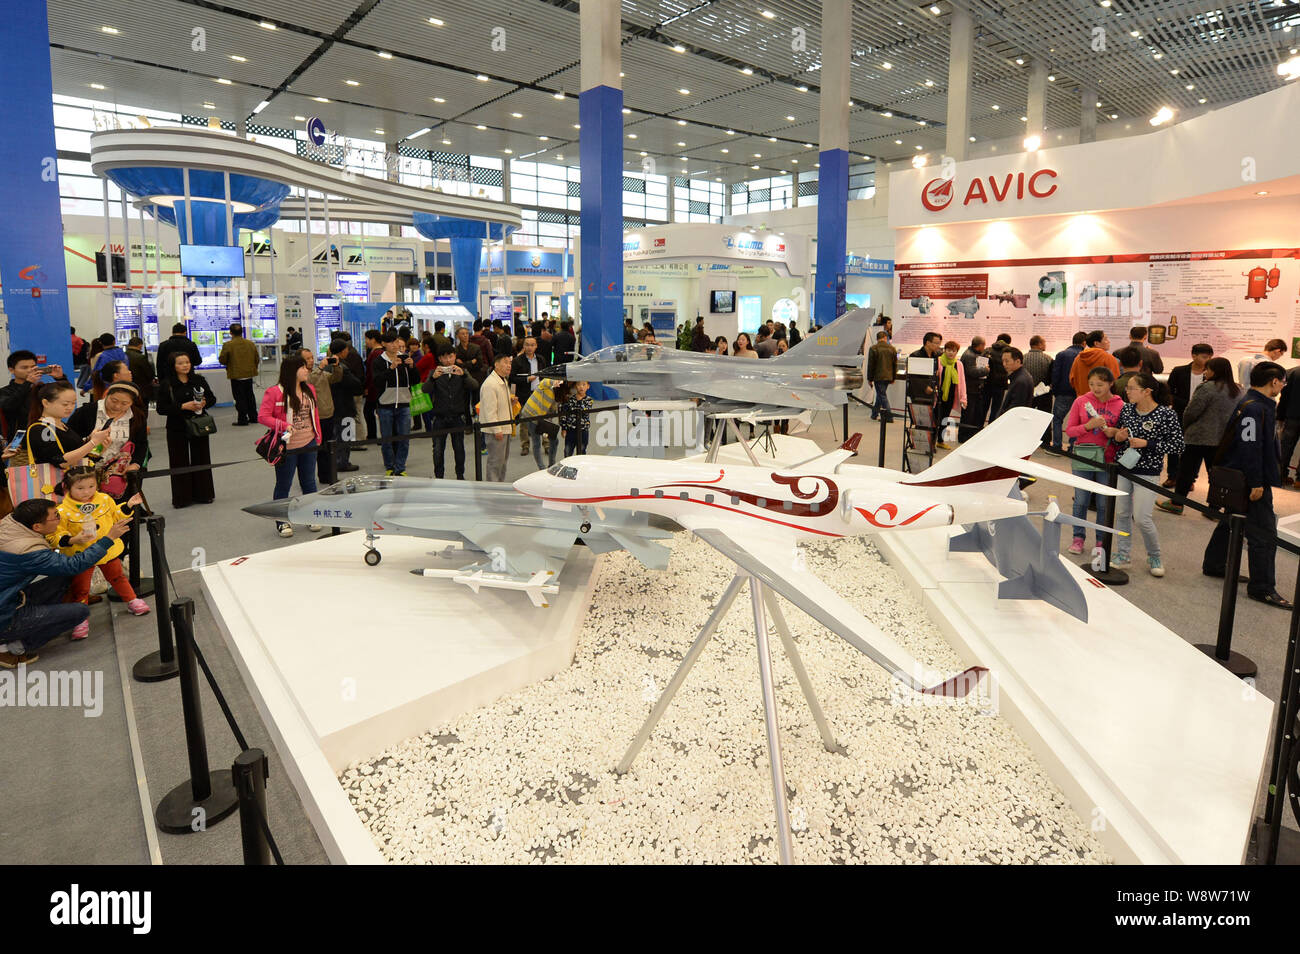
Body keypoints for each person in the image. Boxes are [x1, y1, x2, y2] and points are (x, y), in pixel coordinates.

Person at [1202, 362, 1290, 609]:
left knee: (1232, 518)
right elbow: (1250, 448)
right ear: (1274, 381)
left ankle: (1215, 564)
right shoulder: (1255, 408)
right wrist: (1256, 482)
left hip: (1242, 477)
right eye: (1282, 381)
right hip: (1251, 479)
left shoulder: (1255, 404)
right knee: (1263, 533)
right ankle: (1262, 587)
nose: (1283, 385)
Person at [0, 498, 128, 668]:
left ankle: (50, 615)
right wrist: (108, 538)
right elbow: (73, 565)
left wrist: (70, 539)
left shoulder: (9, 523)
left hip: (10, 597)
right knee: (80, 612)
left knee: (65, 578)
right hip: (5, 614)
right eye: (56, 516)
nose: (60, 519)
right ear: (37, 527)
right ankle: (10, 648)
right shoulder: (29, 552)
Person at [50, 468, 150, 635]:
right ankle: (80, 619)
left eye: (91, 486)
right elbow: (55, 535)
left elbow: (116, 514)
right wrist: (73, 539)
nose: (86, 492)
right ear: (67, 488)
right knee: (81, 588)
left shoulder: (104, 499)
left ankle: (132, 600)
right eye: (80, 488)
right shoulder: (62, 511)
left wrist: (128, 505)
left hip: (107, 550)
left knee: (117, 576)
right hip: (81, 555)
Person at [1110, 372, 1184, 578]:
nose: (1127, 391)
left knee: (1142, 518)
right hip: (1124, 467)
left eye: (1131, 388)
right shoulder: (1127, 410)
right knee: (1122, 514)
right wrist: (1118, 436)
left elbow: (1178, 445)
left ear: (1147, 391)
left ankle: (1154, 556)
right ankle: (1123, 555)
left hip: (1148, 472)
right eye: (1127, 388)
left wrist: (1148, 444)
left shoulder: (1167, 414)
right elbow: (1118, 439)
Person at [1156, 358, 1240, 515]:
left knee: (1186, 471)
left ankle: (1177, 503)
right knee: (1215, 475)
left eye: (1208, 369)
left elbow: (1191, 412)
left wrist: (1185, 426)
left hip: (1198, 437)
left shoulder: (1207, 388)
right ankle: (1214, 509)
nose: (1205, 372)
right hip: (1221, 439)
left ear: (1215, 371)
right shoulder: (1237, 390)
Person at [258, 353, 323, 537]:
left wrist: (318, 437)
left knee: (309, 482)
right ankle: (282, 521)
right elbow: (263, 416)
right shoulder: (275, 392)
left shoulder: (309, 388)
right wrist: (283, 425)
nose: (307, 369)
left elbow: (315, 415)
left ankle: (311, 515)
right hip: (287, 447)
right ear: (292, 371)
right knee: (284, 484)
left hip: (308, 443)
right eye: (303, 367)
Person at [1063, 367, 1124, 556]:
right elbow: (1070, 431)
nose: (1095, 388)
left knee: (1104, 504)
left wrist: (1114, 433)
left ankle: (1101, 541)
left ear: (1110, 383)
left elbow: (1125, 434)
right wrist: (1088, 426)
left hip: (1107, 459)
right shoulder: (1081, 401)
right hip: (1083, 456)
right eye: (1092, 384)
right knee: (1080, 500)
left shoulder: (1120, 405)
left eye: (1100, 384)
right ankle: (1078, 538)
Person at [154, 352, 216, 509]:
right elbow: (161, 408)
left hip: (198, 423)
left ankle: (204, 494)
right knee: (178, 460)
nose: (185, 365)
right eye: (180, 363)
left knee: (201, 457)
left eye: (187, 362)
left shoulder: (198, 380)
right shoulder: (166, 384)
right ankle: (182, 498)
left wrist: (204, 403)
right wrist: (182, 406)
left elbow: (212, 398)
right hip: (177, 426)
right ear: (173, 366)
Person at [67, 382, 149, 500]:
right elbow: (70, 440)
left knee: (119, 510)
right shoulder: (86, 412)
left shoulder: (137, 416)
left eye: (124, 403)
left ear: (132, 403)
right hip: (87, 473)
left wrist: (135, 464)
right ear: (107, 394)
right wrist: (90, 441)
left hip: (118, 474)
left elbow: (141, 443)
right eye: (114, 400)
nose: (117, 406)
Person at [17, 381, 111, 473]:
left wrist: (99, 448)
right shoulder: (42, 429)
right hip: (53, 485)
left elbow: (80, 459)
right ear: (46, 403)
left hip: (75, 483)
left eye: (73, 403)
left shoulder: (62, 425)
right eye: (65, 404)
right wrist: (93, 442)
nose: (70, 407)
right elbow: (61, 462)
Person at [1165, 343, 1214, 488]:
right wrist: (1186, 403)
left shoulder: (1211, 374)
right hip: (1179, 413)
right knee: (1174, 446)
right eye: (1205, 357)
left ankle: (1190, 479)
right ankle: (1172, 476)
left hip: (1201, 417)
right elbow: (1169, 392)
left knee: (1195, 448)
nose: (1208, 359)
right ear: (1194, 356)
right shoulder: (1180, 371)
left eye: (1210, 357)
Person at [427, 344, 479, 480]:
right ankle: (439, 477)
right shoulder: (434, 373)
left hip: (457, 417)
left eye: (451, 356)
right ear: (440, 359)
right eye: (445, 358)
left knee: (459, 449)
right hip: (439, 417)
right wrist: (433, 378)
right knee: (438, 450)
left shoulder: (462, 371)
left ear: (455, 356)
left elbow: (474, 386)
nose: (448, 360)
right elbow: (425, 390)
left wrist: (463, 376)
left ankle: (460, 475)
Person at [373, 330, 416, 477]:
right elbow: (377, 382)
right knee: (387, 439)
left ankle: (400, 467)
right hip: (385, 405)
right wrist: (391, 369)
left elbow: (415, 380)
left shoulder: (404, 359)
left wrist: (412, 367)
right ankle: (390, 466)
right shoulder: (379, 361)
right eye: (391, 342)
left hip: (404, 404)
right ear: (384, 344)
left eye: (397, 342)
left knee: (404, 438)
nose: (395, 345)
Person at [1, 351, 67, 442]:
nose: (29, 370)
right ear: (11, 370)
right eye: (24, 367)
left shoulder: (41, 389)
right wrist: (28, 383)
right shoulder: (5, 391)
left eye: (33, 367)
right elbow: (9, 406)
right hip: (19, 443)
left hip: (46, 438)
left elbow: (66, 397)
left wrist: (60, 378)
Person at [302, 348, 343, 486]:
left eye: (312, 357)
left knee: (329, 446)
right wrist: (320, 367)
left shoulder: (320, 373)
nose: (311, 360)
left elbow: (335, 378)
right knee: (318, 448)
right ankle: (321, 475)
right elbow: (310, 380)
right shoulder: (304, 375)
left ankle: (329, 474)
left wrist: (336, 367)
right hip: (314, 417)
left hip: (328, 413)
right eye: (307, 358)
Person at [513, 336, 554, 467]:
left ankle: (546, 444)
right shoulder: (517, 361)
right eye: (527, 345)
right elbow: (512, 378)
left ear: (536, 346)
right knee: (525, 422)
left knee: (545, 420)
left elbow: (547, 375)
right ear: (523, 346)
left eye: (532, 345)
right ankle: (525, 445)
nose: (529, 347)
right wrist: (526, 380)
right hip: (526, 394)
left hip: (541, 394)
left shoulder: (541, 359)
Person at [325, 339, 363, 473]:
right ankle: (342, 462)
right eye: (346, 349)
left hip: (331, 406)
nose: (348, 351)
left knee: (335, 436)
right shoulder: (342, 367)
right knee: (345, 436)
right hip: (344, 406)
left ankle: (336, 461)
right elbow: (356, 385)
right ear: (342, 351)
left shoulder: (325, 366)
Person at [1048, 332, 1086, 450]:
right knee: (1077, 421)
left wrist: (1055, 390)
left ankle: (1057, 445)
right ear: (1084, 343)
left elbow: (1056, 374)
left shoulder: (1062, 354)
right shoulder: (1085, 355)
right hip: (1080, 392)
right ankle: (1072, 446)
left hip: (1063, 392)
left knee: (1058, 419)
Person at [218, 323, 260, 426]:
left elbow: (223, 360)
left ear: (230, 333)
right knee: (250, 396)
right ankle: (254, 417)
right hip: (249, 374)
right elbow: (257, 358)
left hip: (236, 375)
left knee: (239, 398)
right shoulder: (250, 343)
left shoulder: (228, 345)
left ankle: (242, 419)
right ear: (242, 332)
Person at [481, 353, 514, 481]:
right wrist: (496, 429)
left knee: (502, 462)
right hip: (497, 430)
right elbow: (490, 411)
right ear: (496, 364)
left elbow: (498, 403)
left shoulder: (502, 380)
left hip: (504, 427)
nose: (509, 366)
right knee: (495, 462)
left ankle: (499, 486)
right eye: (505, 362)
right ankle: (492, 489)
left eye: (510, 363)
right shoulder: (490, 384)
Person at [1069, 330, 1120, 397]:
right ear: (1096, 343)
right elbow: (1115, 381)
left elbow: (1072, 380)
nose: (1108, 341)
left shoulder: (1078, 358)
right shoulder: (1108, 358)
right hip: (1102, 400)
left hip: (1083, 400)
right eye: (1105, 339)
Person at [935, 341, 967, 448]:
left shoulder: (959, 364)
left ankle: (940, 440)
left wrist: (963, 398)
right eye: (948, 350)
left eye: (953, 351)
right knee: (935, 418)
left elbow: (962, 382)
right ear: (944, 350)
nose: (951, 353)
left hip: (950, 397)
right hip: (937, 396)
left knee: (945, 419)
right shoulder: (938, 361)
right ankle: (930, 441)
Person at [959, 337, 990, 438]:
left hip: (973, 388)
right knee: (968, 415)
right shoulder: (970, 356)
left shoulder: (972, 354)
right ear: (980, 345)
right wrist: (986, 370)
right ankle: (964, 436)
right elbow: (972, 372)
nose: (984, 348)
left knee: (972, 414)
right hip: (970, 389)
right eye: (983, 346)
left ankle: (968, 435)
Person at [866, 331, 897, 421]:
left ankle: (889, 417)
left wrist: (869, 378)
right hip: (889, 376)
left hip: (878, 376)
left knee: (882, 395)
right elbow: (895, 364)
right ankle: (874, 414)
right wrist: (894, 377)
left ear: (877, 338)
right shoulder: (892, 348)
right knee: (880, 395)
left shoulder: (873, 348)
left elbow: (871, 365)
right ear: (885, 338)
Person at [558, 380, 592, 456]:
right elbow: (564, 414)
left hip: (583, 430)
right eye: (579, 385)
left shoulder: (589, 400)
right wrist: (563, 428)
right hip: (571, 430)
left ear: (588, 387)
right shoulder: (570, 399)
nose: (581, 387)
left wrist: (575, 406)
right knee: (567, 451)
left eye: (584, 385)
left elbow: (584, 411)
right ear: (575, 386)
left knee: (582, 451)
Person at [906, 332, 942, 405]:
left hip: (932, 392)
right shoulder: (915, 355)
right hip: (918, 393)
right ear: (928, 343)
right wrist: (925, 387)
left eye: (939, 343)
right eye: (936, 343)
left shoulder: (936, 355)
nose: (938, 346)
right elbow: (913, 376)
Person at [1280, 363, 1300, 486]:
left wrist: (1280, 415)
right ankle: (1299, 480)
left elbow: (1284, 397)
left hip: (1292, 416)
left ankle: (1279, 475)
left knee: (1285, 447)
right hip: (1292, 415)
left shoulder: (1292, 372)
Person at [362, 328, 384, 442]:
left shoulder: (375, 353)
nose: (365, 341)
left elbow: (371, 374)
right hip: (378, 388)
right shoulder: (380, 352)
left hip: (374, 388)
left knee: (369, 411)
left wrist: (367, 387)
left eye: (366, 339)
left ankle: (372, 435)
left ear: (373, 339)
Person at [998, 347, 1034, 418]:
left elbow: (1016, 407)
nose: (1004, 364)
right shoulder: (1020, 376)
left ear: (1017, 361)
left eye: (1007, 361)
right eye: (1003, 361)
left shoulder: (1020, 381)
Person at [983, 334, 1012, 422]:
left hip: (987, 383)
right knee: (996, 409)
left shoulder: (987, 350)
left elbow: (980, 366)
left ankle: (979, 430)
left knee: (983, 408)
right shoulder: (1009, 353)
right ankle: (991, 429)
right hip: (1001, 384)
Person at [125, 337, 155, 406]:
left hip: (127, 389)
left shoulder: (122, 356)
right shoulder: (141, 357)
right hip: (141, 390)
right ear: (140, 345)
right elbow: (149, 374)